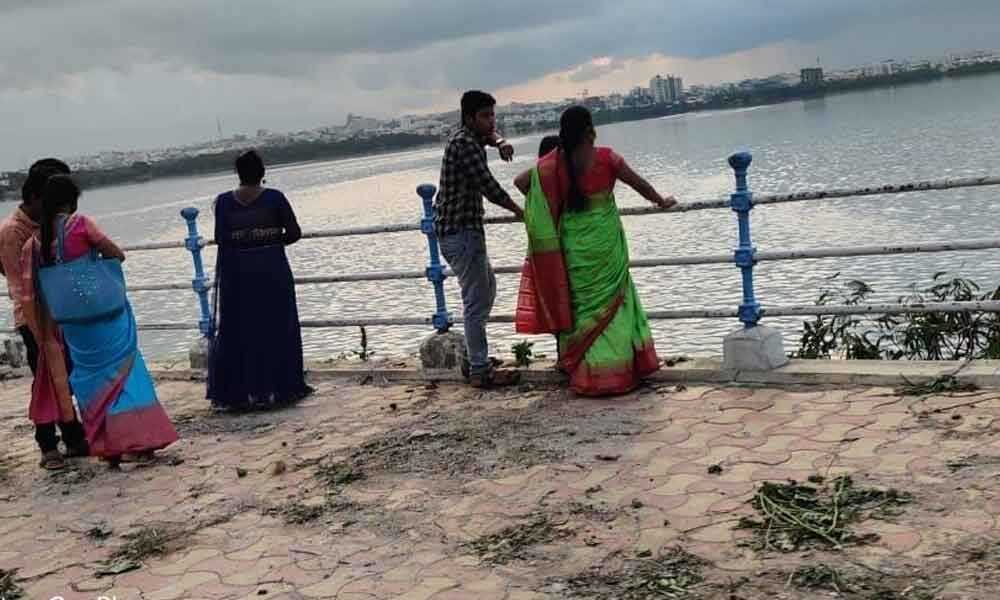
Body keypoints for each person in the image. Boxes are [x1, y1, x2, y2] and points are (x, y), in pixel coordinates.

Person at [513, 106, 677, 396]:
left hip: (573, 248)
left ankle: (588, 375)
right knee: (614, 309)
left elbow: (521, 182)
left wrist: (547, 200)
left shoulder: (553, 166)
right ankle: (620, 373)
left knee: (582, 311)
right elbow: (639, 184)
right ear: (590, 130)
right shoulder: (606, 158)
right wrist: (661, 201)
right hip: (605, 244)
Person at [20, 175, 177, 467]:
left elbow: (36, 291)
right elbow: (116, 254)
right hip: (107, 317)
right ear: (71, 200)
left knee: (91, 382)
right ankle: (138, 440)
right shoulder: (81, 225)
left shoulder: (34, 243)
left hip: (73, 327)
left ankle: (107, 446)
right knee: (127, 374)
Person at [0, 159, 88, 469]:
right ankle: (47, 444)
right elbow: (17, 287)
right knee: (45, 381)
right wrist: (40, 332)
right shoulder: (13, 233)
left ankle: (75, 436)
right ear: (36, 197)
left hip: (62, 314)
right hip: (34, 317)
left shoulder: (52, 224)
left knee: (67, 378)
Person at [208, 150, 312, 410]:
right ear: (262, 173)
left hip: (238, 275)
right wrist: (271, 241)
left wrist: (247, 242)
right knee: (278, 325)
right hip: (272, 270)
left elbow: (222, 240)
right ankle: (283, 387)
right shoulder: (275, 198)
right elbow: (294, 233)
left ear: (238, 174)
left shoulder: (223, 202)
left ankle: (243, 392)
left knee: (240, 330)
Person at [434, 90, 523, 388]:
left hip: (461, 231)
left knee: (486, 291)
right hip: (461, 232)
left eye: (493, 115)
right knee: (476, 300)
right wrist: (518, 211)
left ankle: (474, 358)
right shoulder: (465, 145)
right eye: (485, 116)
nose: (491, 121)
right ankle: (479, 370)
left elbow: (490, 137)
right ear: (470, 117)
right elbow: (488, 186)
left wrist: (500, 141)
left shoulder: (467, 137)